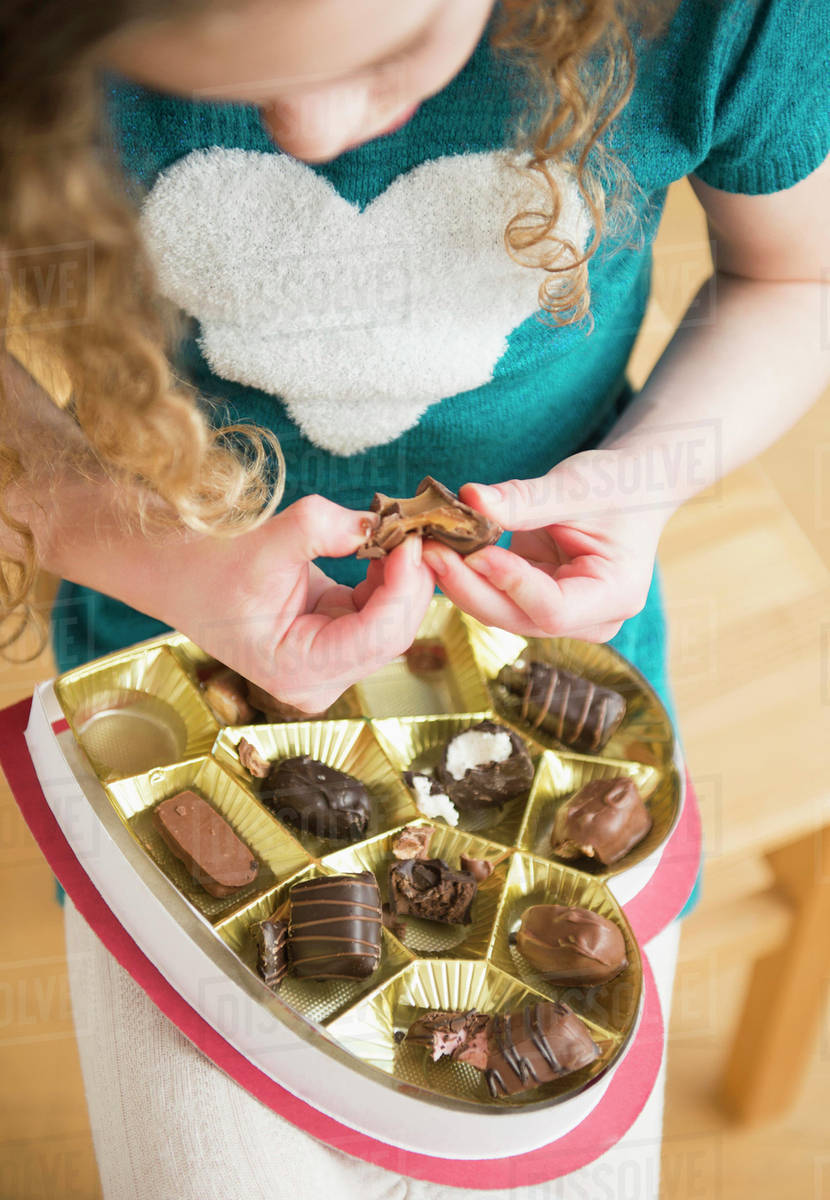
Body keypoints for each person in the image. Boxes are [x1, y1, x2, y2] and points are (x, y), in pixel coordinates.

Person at [1, 0, 828, 1196]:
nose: (317, 128)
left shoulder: (720, 19)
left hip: (555, 652)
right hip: (167, 633)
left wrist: (642, 485)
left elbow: (795, 277)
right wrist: (131, 545)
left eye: (385, 54)